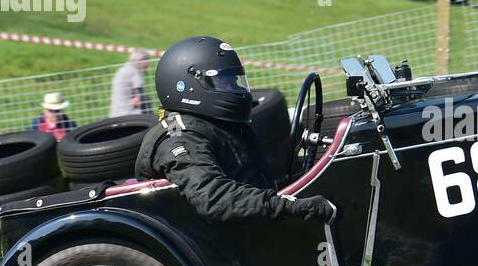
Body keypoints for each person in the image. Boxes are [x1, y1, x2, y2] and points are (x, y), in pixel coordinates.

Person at [134, 36, 335, 224]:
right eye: (224, 81)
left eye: (235, 80)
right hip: (218, 245)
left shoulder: (219, 124)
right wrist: (290, 207)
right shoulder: (178, 135)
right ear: (186, 86)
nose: (234, 87)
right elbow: (213, 197)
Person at [110, 48, 151, 116]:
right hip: (128, 112)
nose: (149, 63)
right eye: (147, 60)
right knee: (146, 100)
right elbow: (139, 93)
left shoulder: (124, 69)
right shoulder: (134, 72)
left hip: (115, 111)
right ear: (142, 60)